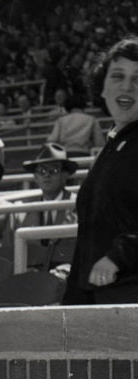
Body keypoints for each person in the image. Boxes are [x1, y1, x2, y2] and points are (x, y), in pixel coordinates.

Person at [62, 38, 138, 304]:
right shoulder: (116, 143)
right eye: (117, 76)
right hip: (101, 298)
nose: (127, 86)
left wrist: (120, 256)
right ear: (102, 87)